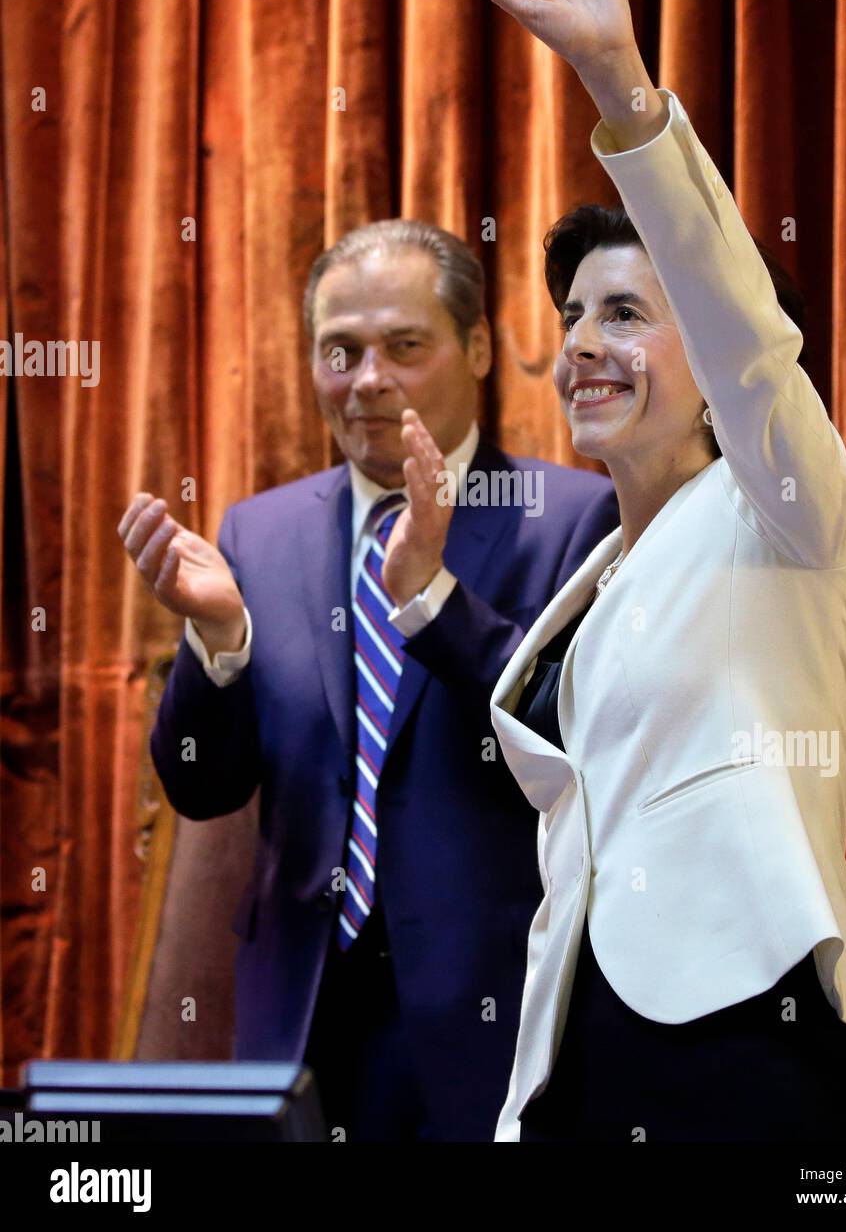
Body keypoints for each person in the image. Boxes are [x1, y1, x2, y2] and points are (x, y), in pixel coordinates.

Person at [461, 0, 846, 1142]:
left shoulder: (790, 513)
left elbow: (748, 334)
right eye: (576, 315)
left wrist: (620, 86)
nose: (586, 341)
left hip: (753, 1047)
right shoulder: (588, 585)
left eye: (630, 313)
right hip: (584, 1062)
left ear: (709, 351)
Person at [118, 217, 619, 1141]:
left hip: (491, 1017)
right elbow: (202, 783)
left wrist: (432, 595)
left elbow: (576, 748)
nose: (367, 380)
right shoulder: (258, 535)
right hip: (305, 1019)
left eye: (403, 345)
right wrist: (219, 641)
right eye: (337, 352)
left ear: (474, 348)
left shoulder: (573, 520)